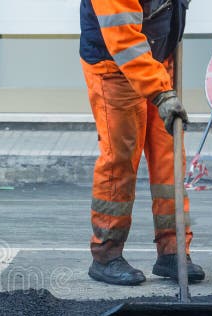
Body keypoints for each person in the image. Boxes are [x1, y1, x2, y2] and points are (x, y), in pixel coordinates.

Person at [80, 0, 205, 286]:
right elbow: (123, 40)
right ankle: (106, 254)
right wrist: (161, 93)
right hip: (113, 66)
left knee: (169, 159)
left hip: (156, 61)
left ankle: (173, 251)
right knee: (120, 160)